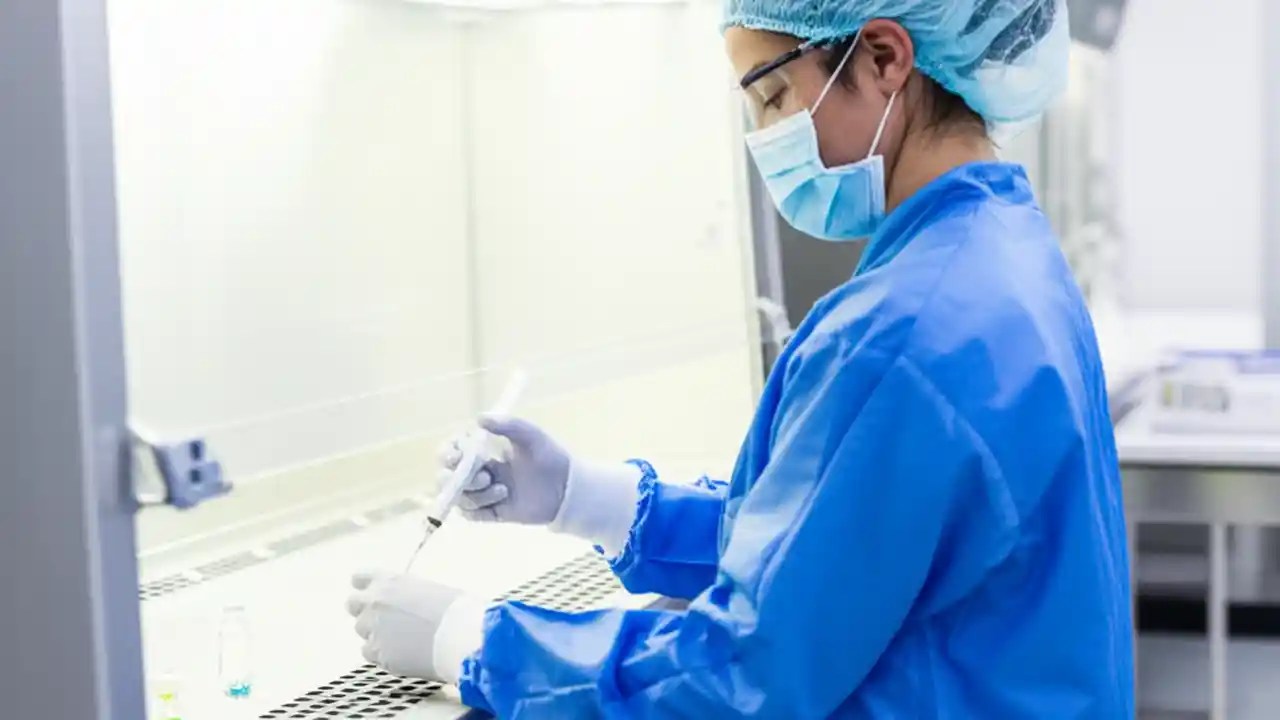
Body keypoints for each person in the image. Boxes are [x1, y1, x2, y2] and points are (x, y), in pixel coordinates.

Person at [346, 0, 1135, 716]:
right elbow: (836, 541)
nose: (765, 139)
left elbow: (738, 679)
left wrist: (473, 640)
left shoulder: (899, 330)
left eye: (773, 97)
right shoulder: (1002, 251)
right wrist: (583, 497)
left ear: (885, 60)